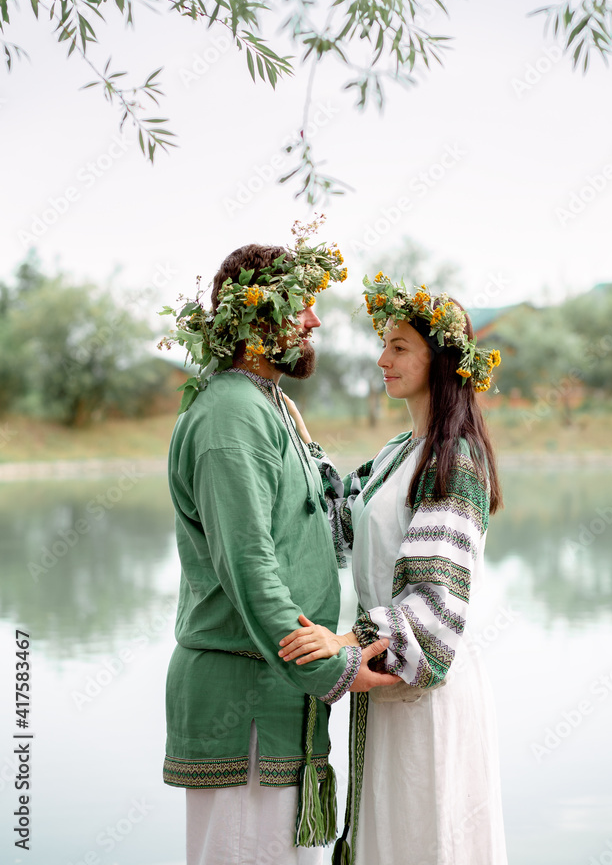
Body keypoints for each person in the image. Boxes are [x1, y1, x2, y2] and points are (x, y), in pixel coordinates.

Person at [159, 229, 397, 865]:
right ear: (258, 320)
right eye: (301, 308)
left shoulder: (267, 404)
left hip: (273, 692)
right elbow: (249, 567)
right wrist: (334, 668)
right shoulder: (231, 415)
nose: (315, 320)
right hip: (246, 705)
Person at [279, 272, 508, 865]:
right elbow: (337, 519)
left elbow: (432, 606)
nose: (382, 358)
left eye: (400, 346)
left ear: (441, 360)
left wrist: (343, 642)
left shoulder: (455, 459)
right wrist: (287, 435)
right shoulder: (396, 454)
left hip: (425, 692)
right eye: (384, 344)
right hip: (382, 682)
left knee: (425, 838)